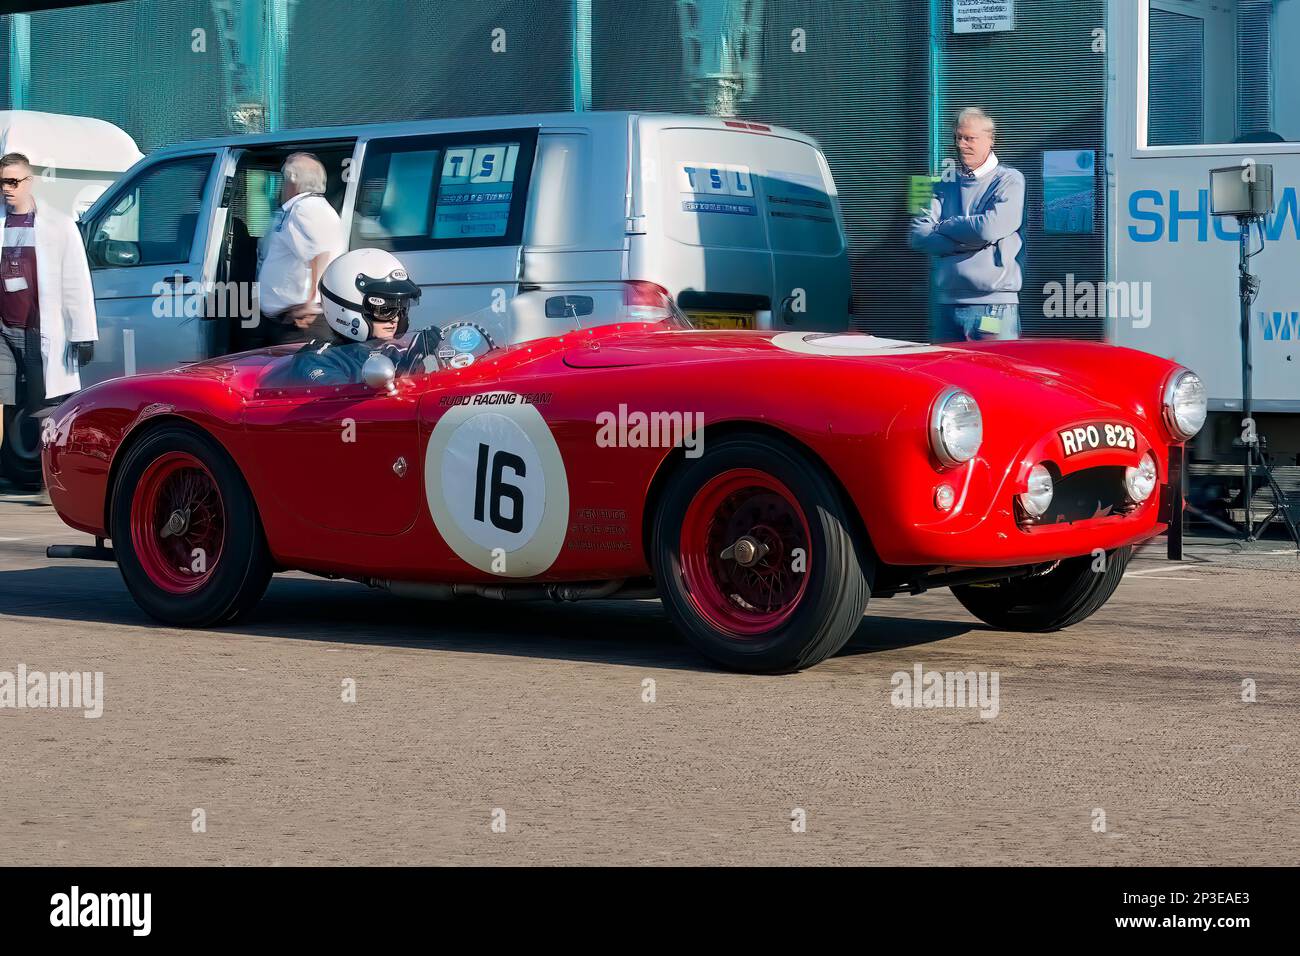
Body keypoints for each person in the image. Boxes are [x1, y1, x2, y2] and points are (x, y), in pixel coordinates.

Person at [0, 151, 97, 446]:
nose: (6, 188)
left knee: (44, 408)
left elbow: (75, 281)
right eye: (2, 182)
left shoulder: (58, 225)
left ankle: (49, 481)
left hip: (38, 330)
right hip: (3, 330)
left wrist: (83, 334)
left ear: (30, 182)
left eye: (13, 182)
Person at [909, 108, 1025, 342]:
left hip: (994, 306)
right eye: (958, 138)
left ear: (991, 140)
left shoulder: (1010, 179)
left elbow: (989, 228)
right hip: (946, 303)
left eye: (969, 138)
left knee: (993, 376)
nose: (962, 145)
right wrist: (969, 242)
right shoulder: (938, 183)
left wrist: (944, 226)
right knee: (946, 377)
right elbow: (917, 235)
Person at [276, 248, 422, 387]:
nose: (395, 319)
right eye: (385, 309)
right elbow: (343, 401)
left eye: (401, 309)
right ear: (349, 308)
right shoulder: (316, 359)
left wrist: (416, 356)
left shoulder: (394, 353)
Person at [255, 152, 345, 346]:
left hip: (302, 323)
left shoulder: (304, 208)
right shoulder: (309, 207)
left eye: (283, 177)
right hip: (291, 321)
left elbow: (322, 254)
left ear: (293, 179)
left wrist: (311, 302)